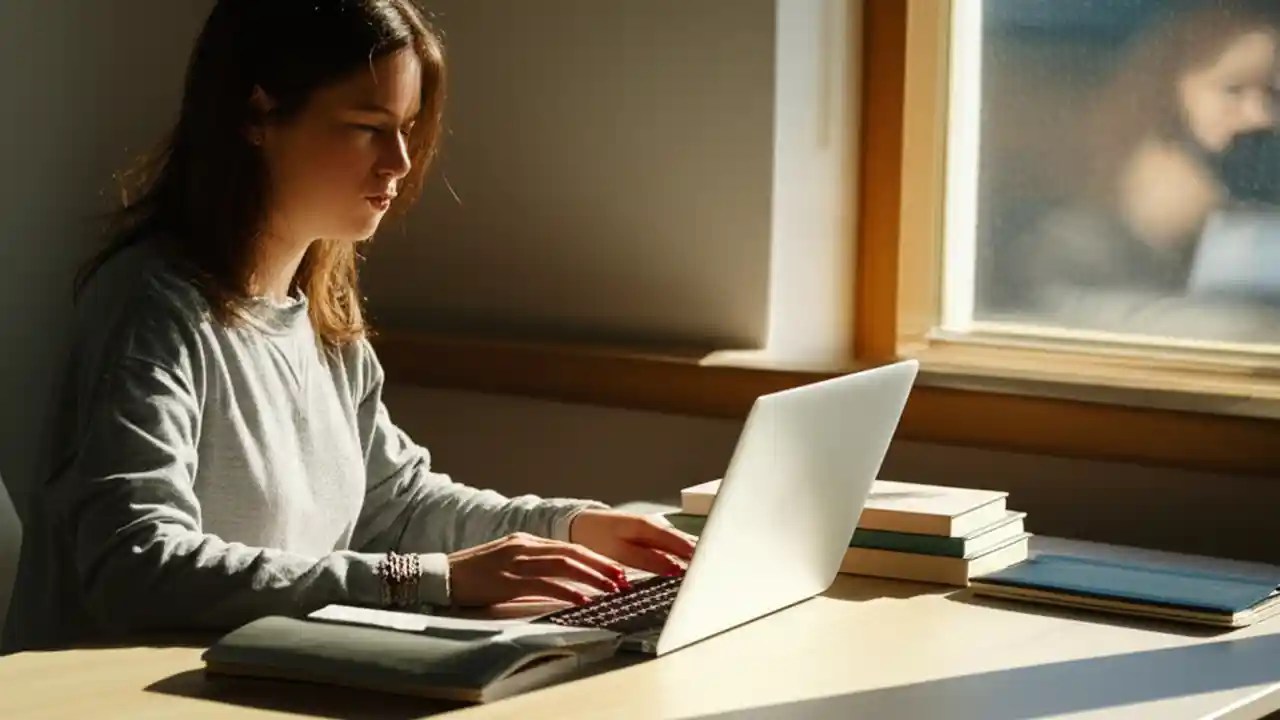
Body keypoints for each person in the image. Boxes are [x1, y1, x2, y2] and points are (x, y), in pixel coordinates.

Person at [0, 0, 694, 654]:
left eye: (408, 128)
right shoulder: (149, 309)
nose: (398, 163)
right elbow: (135, 565)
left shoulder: (324, 318)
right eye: (368, 126)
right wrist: (434, 580)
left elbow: (396, 504)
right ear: (257, 113)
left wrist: (570, 528)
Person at [1019, 0, 1280, 341]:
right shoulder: (1078, 229)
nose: (1262, 116)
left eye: (1274, 95)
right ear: (1166, 92)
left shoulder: (1245, 195)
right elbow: (1050, 309)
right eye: (1232, 90)